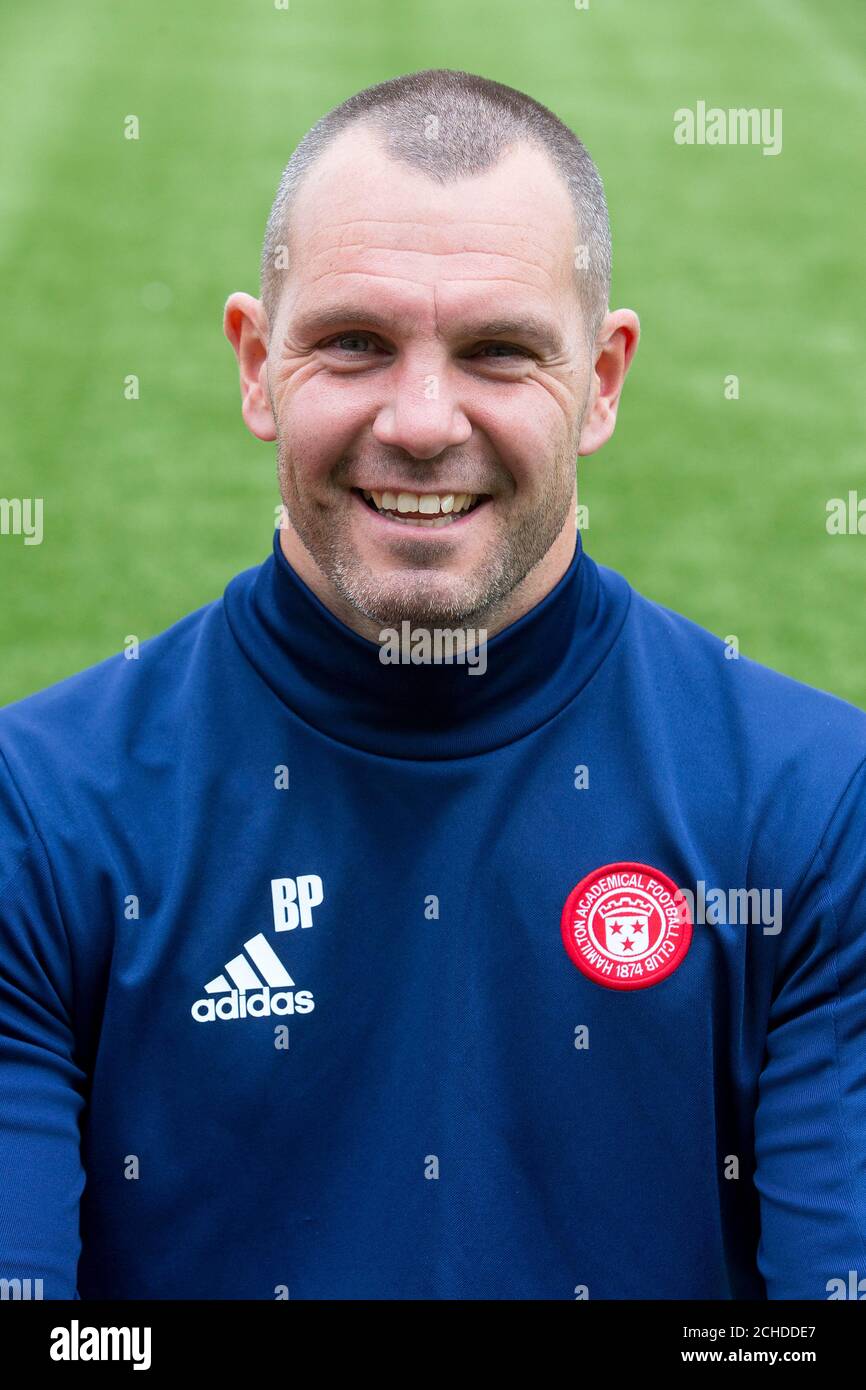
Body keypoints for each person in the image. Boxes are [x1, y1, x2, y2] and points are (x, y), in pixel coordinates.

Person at [1, 68, 865, 1301]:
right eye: (352, 343)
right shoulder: (36, 815)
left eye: (498, 352)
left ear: (602, 383)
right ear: (255, 364)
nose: (418, 420)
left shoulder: (819, 809)